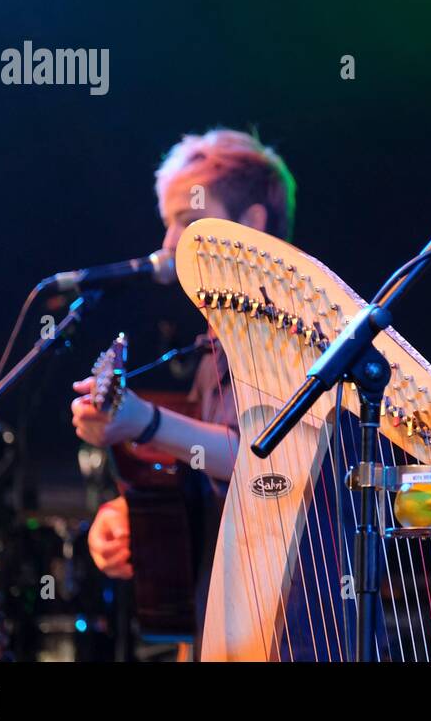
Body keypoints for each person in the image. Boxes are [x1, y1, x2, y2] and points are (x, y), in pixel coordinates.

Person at [70, 128, 296, 653]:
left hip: (285, 626)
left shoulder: (286, 333)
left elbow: (266, 462)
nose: (170, 243)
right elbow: (203, 483)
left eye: (189, 221)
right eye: (169, 222)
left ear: (251, 225)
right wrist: (133, 516)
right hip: (214, 619)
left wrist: (144, 423)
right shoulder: (212, 346)